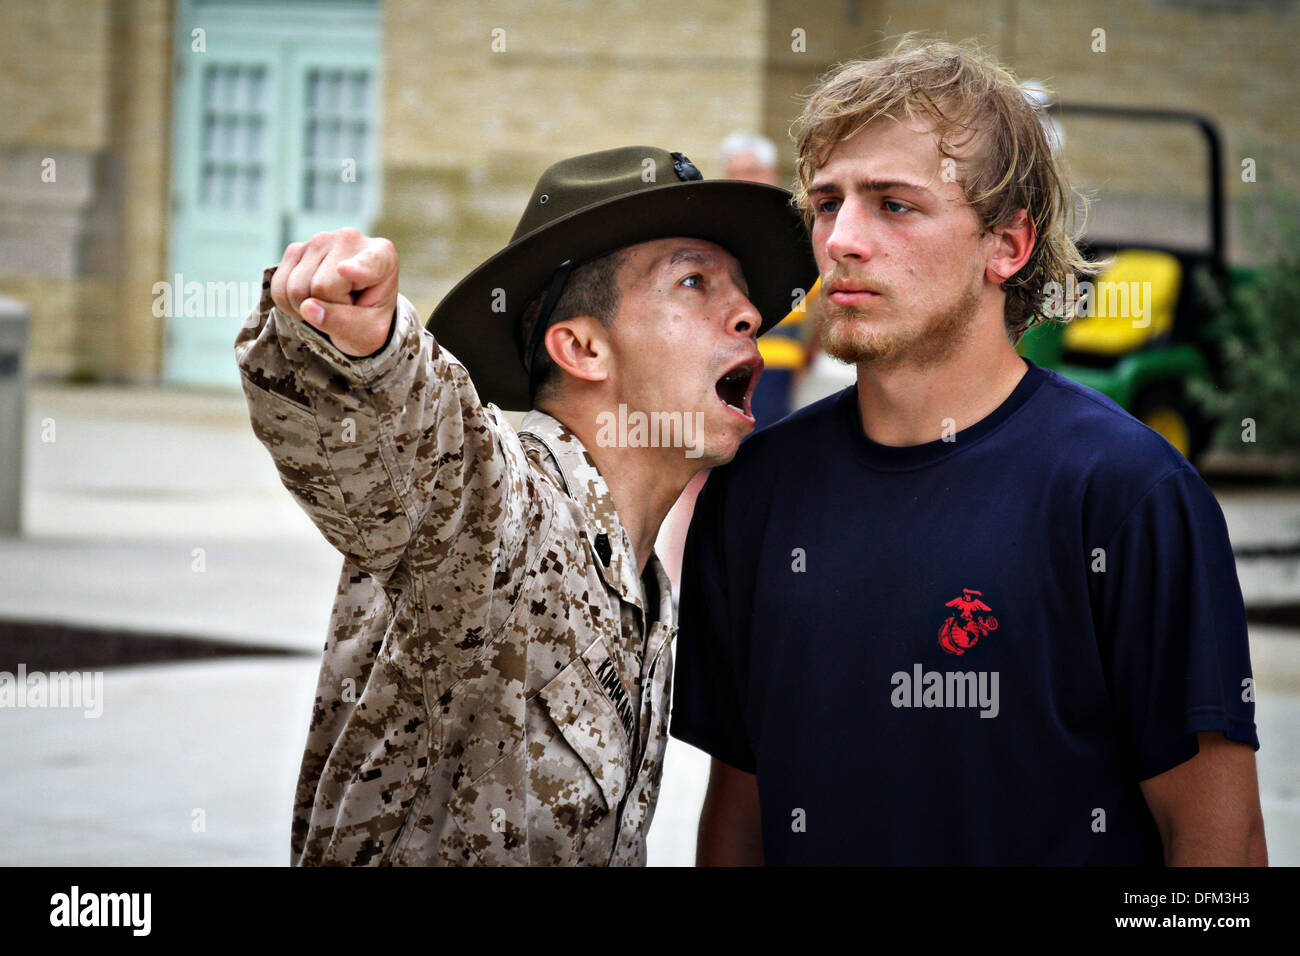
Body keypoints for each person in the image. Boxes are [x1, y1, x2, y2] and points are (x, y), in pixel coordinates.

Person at [670, 38, 1267, 866]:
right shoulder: (755, 489)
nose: (842, 238)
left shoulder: (1129, 494)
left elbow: (1218, 846)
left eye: (894, 205)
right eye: (826, 203)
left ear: (1008, 245)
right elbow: (739, 812)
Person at [234, 145, 814, 865]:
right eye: (695, 282)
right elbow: (420, 439)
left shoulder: (647, 585)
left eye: (743, 289)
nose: (751, 313)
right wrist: (356, 342)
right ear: (581, 347)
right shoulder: (512, 508)